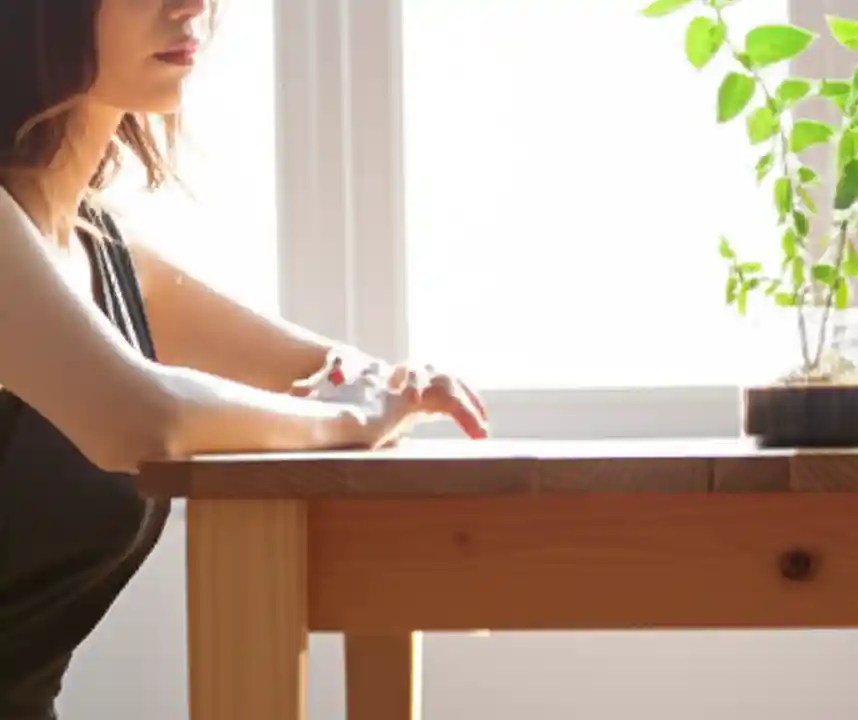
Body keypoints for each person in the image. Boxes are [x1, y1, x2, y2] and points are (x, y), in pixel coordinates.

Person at [0, 1, 490, 716]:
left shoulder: (99, 251)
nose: (193, 5)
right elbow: (144, 417)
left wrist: (390, 388)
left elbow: (320, 373)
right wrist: (350, 420)